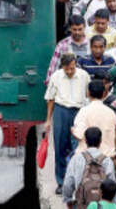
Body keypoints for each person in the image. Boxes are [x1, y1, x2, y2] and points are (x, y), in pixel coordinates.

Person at [44, 53, 90, 192]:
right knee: (60, 146)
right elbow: (50, 98)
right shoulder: (56, 76)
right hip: (61, 110)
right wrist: (48, 120)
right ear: (62, 66)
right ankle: (61, 181)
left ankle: (77, 181)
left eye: (72, 68)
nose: (69, 71)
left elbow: (88, 95)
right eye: (66, 69)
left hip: (78, 111)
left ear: (75, 64)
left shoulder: (84, 75)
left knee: (78, 146)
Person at [62, 126, 116, 207]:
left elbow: (68, 183)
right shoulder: (107, 161)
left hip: (81, 204)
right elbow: (112, 185)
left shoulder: (76, 159)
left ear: (85, 141)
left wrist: (68, 200)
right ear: (100, 141)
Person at [72, 79, 116, 161]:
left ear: (88, 93)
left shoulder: (84, 111)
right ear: (104, 93)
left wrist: (72, 130)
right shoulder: (111, 113)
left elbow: (79, 135)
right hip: (107, 157)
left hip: (86, 158)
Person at [47, 15, 90, 80]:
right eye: (74, 29)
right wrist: (50, 82)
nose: (77, 32)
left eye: (80, 29)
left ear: (84, 28)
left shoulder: (90, 44)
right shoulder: (62, 44)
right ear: (70, 28)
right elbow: (53, 66)